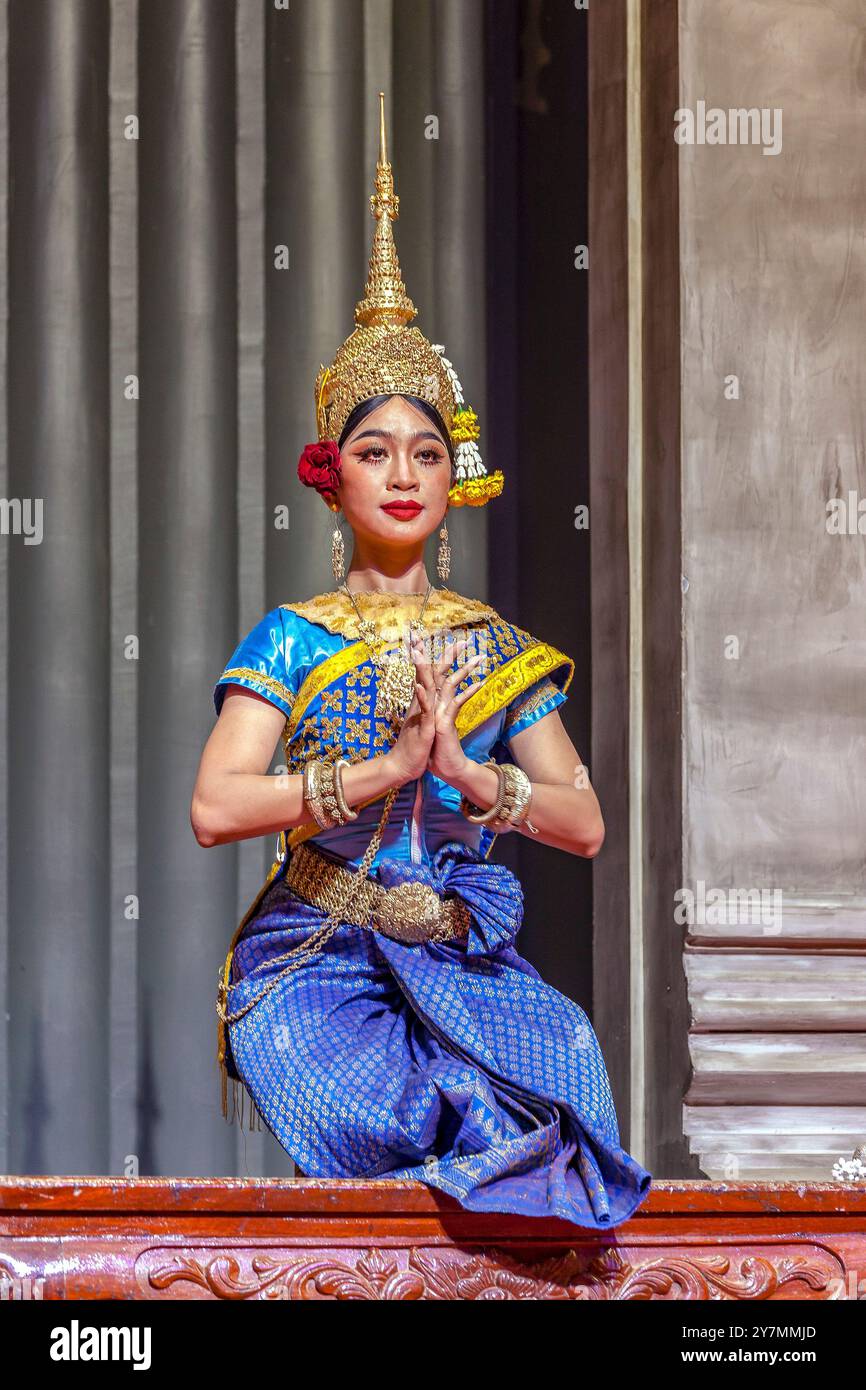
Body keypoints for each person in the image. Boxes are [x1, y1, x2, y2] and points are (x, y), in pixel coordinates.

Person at [190, 94, 652, 1230]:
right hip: (321, 960)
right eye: (373, 450)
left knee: (564, 1086)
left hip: (457, 951)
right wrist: (378, 777)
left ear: (456, 480)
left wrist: (463, 770)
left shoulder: (492, 644)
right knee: (372, 1133)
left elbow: (583, 822)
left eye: (427, 452)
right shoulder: (292, 636)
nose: (402, 472)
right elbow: (213, 807)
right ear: (330, 475)